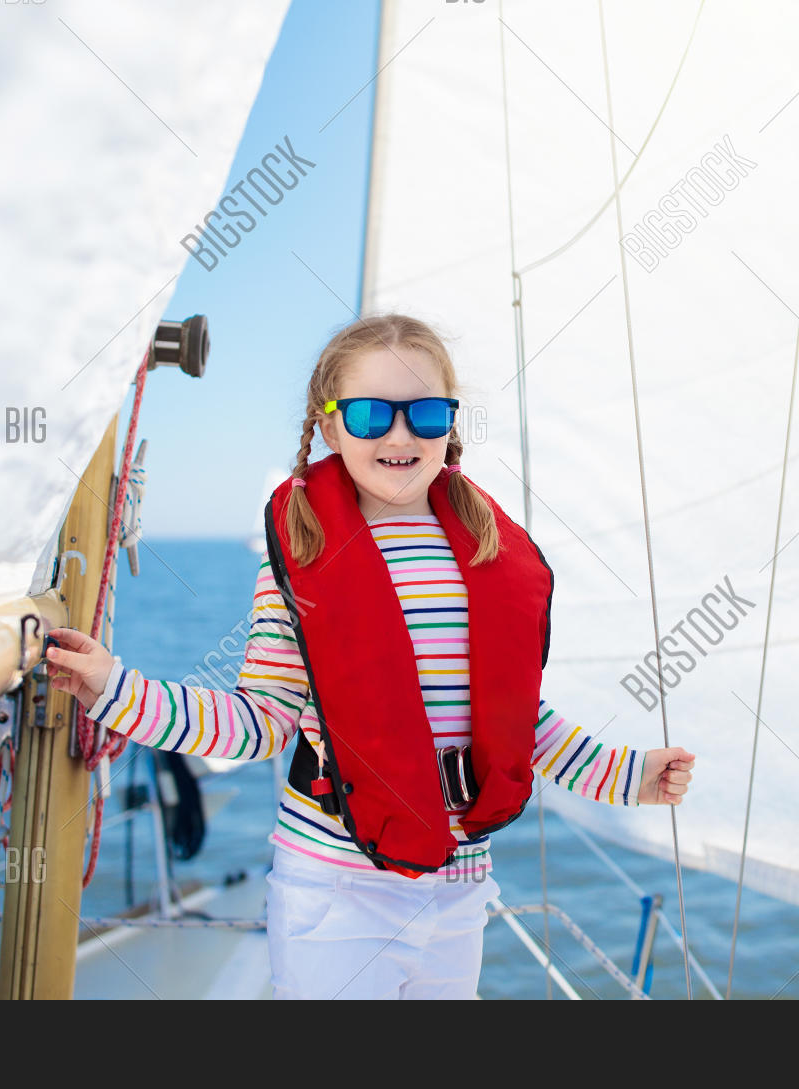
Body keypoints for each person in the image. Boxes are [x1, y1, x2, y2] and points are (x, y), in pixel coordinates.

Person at [44, 312, 696, 999]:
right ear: (328, 426)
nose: (399, 435)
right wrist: (116, 690)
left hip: (460, 888)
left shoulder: (482, 549)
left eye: (425, 413)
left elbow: (516, 721)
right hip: (337, 892)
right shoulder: (303, 559)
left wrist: (628, 777)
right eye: (368, 415)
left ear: (451, 425)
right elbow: (257, 721)